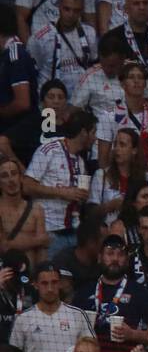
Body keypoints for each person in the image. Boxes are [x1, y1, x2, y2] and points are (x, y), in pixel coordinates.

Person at [21, 109, 97, 256]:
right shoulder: (48, 150)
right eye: (93, 132)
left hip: (73, 232)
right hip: (50, 232)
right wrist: (62, 193)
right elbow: (27, 186)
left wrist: (82, 196)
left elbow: (79, 198)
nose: (95, 138)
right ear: (83, 133)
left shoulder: (81, 162)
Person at [9, 262, 94, 352]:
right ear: (35, 284)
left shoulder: (77, 315)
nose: (50, 289)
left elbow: (92, 351)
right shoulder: (23, 319)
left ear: (60, 284)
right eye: (44, 283)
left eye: (54, 282)